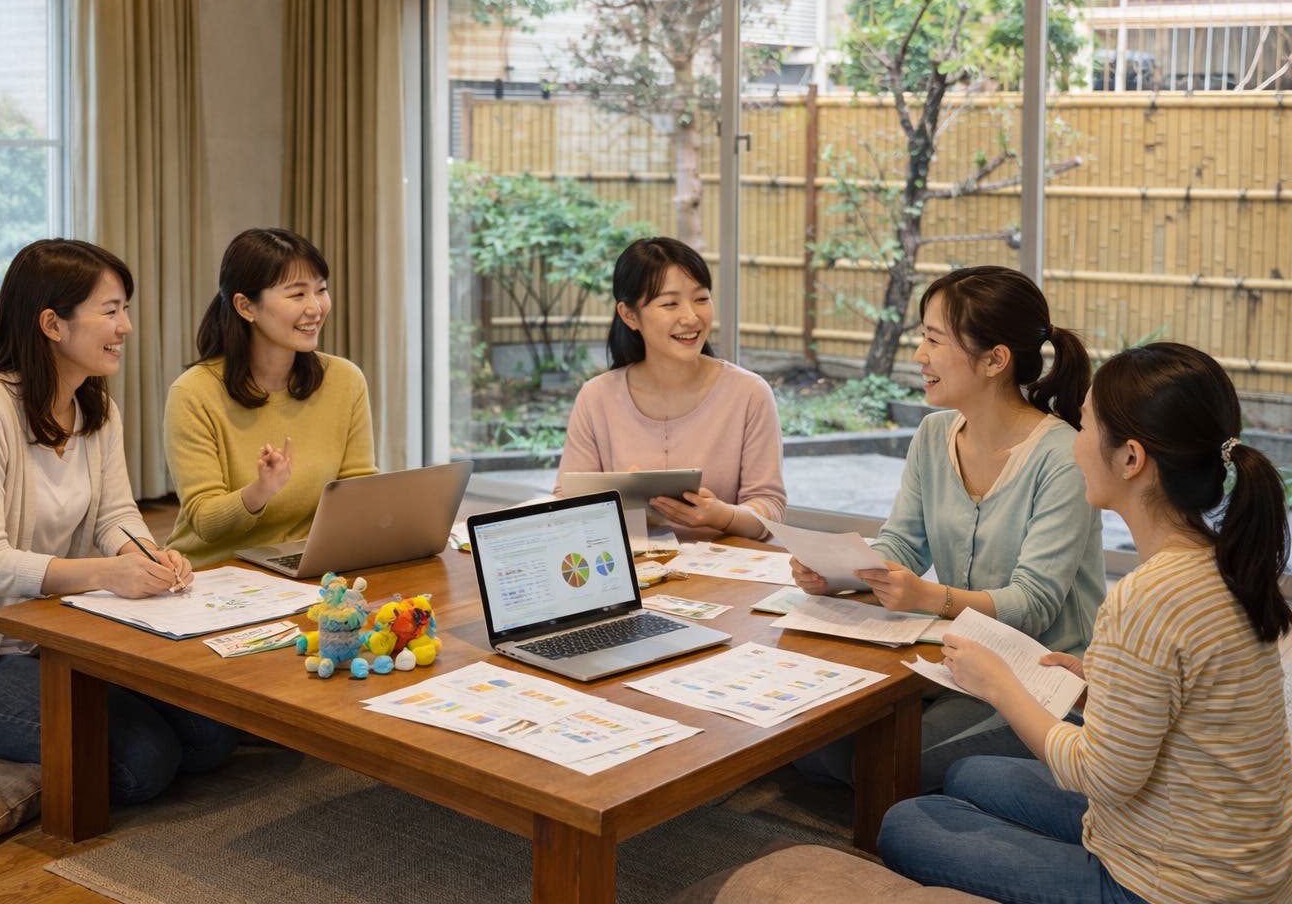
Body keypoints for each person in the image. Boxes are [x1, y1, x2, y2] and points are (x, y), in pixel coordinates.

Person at [877, 342, 1292, 904]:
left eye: (1086, 426)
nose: (1073, 445)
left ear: (1130, 459)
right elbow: (1184, 712)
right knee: (973, 773)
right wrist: (1093, 685)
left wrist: (999, 684)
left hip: (1168, 885)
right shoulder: (1222, 561)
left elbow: (1101, 774)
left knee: (908, 823)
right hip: (1225, 851)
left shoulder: (1150, 597)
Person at [0, 239, 239, 805]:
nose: (126, 327)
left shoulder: (97, 409)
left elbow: (117, 514)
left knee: (212, 734)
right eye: (111, 310)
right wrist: (106, 574)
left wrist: (144, 555)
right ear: (52, 323)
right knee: (144, 762)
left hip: (51, 639)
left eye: (125, 309)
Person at [792, 265, 1105, 791]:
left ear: (995, 360)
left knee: (889, 763)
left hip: (1042, 676)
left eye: (934, 340)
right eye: (922, 338)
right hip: (951, 658)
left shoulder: (1061, 455)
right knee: (807, 731)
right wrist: (842, 571)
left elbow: (1033, 605)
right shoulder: (934, 434)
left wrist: (929, 596)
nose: (919, 356)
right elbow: (901, 545)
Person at [165, 228, 376, 566]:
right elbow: (205, 521)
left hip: (307, 567)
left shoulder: (344, 380)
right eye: (296, 294)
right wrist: (260, 491)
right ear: (246, 306)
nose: (315, 308)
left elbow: (358, 486)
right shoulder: (194, 393)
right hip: (215, 573)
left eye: (321, 290)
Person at [553, 236, 786, 541]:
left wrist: (721, 515)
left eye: (701, 299)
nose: (691, 317)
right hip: (628, 573)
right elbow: (564, 503)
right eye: (670, 304)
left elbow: (770, 507)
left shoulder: (749, 393)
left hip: (723, 579)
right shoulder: (597, 397)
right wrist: (621, 506)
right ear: (629, 315)